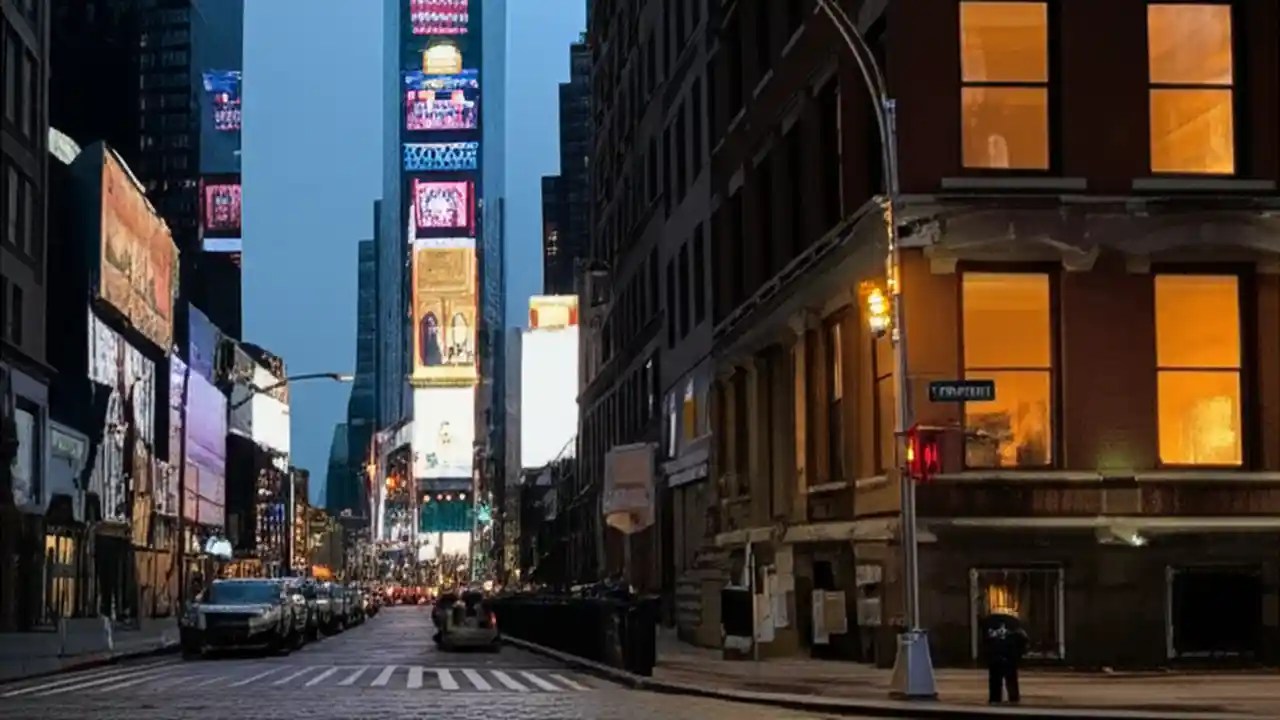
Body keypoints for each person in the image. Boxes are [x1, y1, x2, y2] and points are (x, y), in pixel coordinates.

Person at [981, 610, 1028, 704]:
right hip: (1008, 657)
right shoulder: (1014, 624)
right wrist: (1018, 654)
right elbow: (1023, 640)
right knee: (1010, 682)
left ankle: (996, 700)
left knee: (996, 683)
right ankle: (1012, 700)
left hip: (996, 657)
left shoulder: (988, 623)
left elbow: (984, 641)